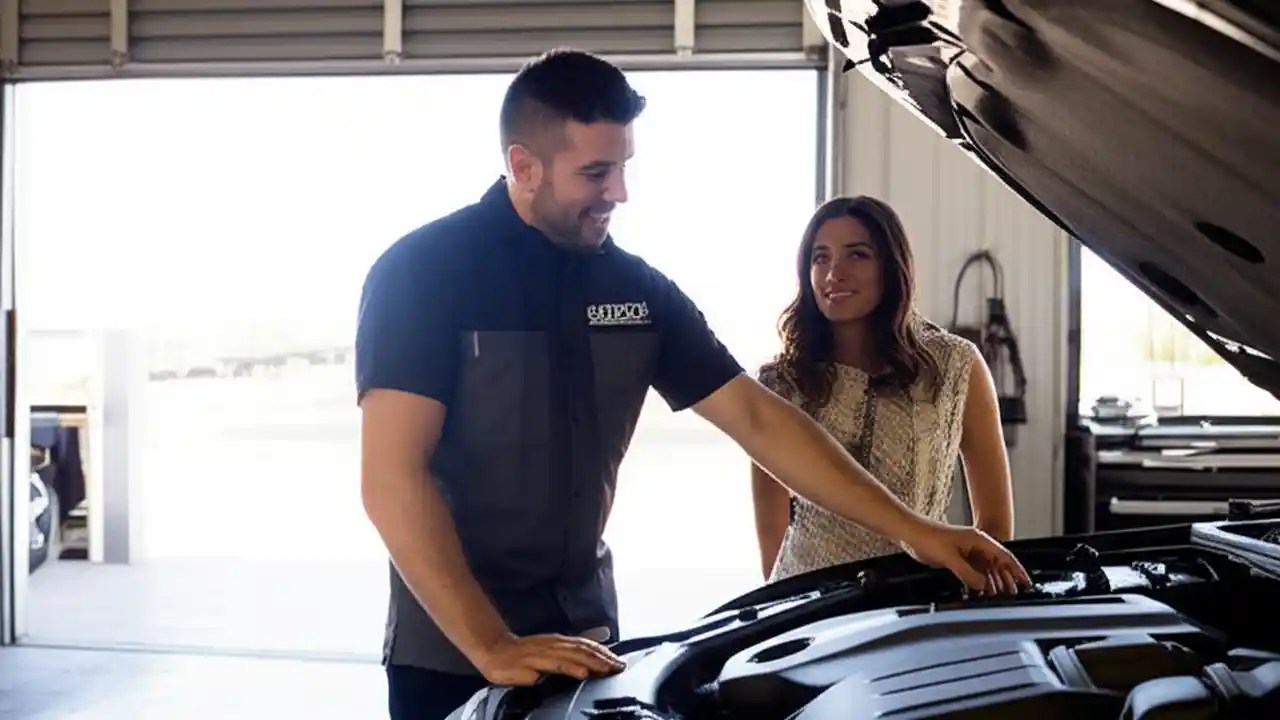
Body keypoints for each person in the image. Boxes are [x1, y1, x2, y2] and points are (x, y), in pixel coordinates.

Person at [355, 48, 1031, 720]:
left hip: (585, 638)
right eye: (595, 173)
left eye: (623, 167)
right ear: (523, 166)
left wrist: (915, 531)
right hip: (451, 653)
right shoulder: (423, 274)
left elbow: (758, 420)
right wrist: (491, 644)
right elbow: (392, 479)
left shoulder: (638, 293)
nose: (619, 192)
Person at [752, 196, 1018, 582]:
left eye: (857, 255)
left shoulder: (956, 365)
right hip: (811, 595)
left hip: (918, 595)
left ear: (891, 267)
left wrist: (974, 591)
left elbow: (994, 525)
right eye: (820, 258)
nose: (834, 273)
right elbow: (772, 542)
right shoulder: (781, 383)